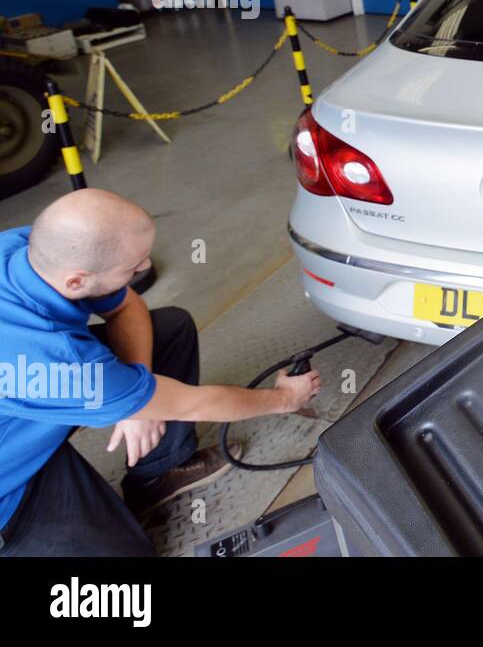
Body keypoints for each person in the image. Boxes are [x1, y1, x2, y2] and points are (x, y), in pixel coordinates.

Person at [0, 189, 321, 556]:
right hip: (11, 478)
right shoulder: (64, 363)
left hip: (29, 401)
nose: (144, 268)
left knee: (169, 329)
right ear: (77, 281)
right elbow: (194, 405)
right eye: (132, 267)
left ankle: (158, 474)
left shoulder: (23, 248)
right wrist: (284, 399)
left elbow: (125, 305)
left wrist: (139, 396)